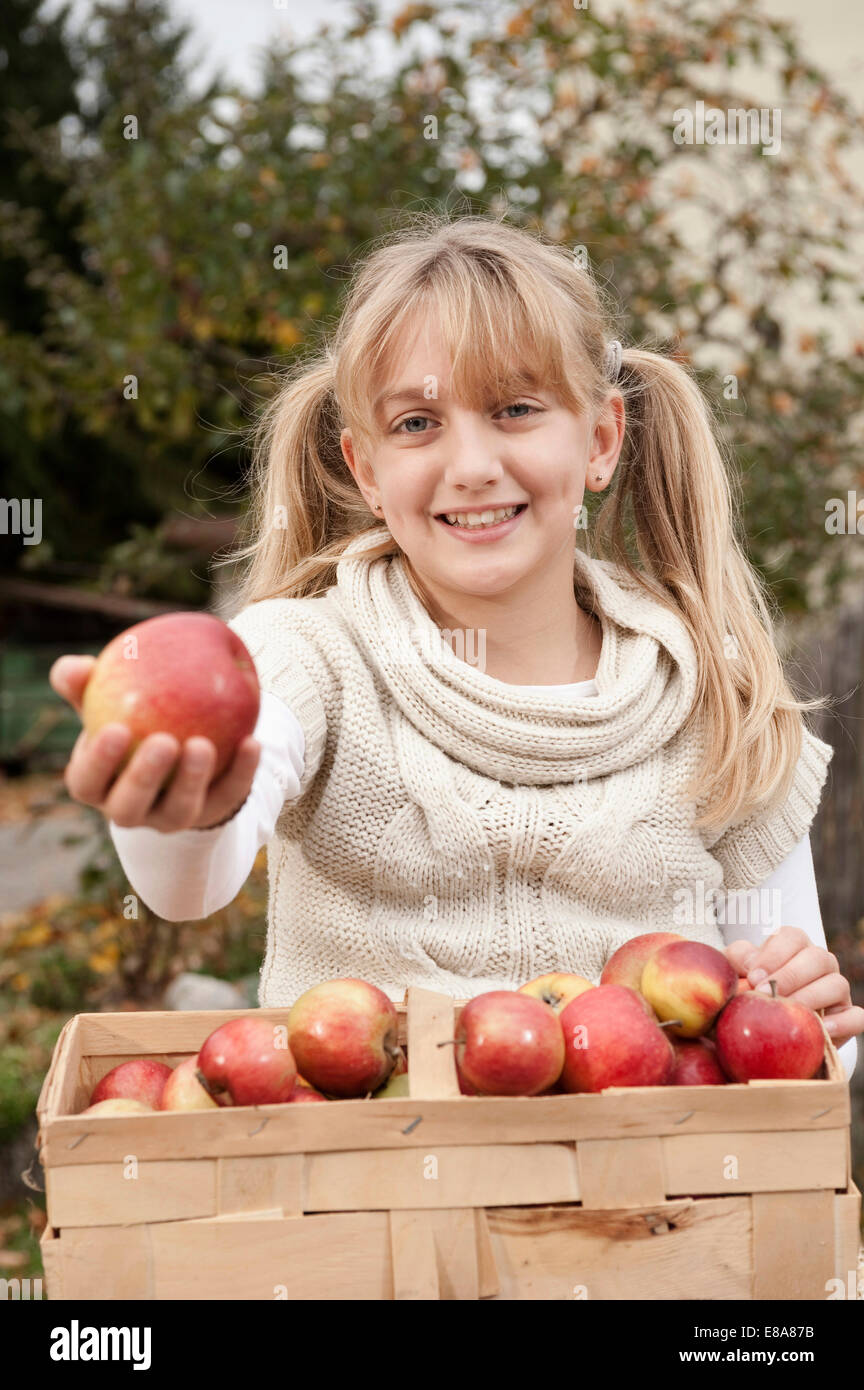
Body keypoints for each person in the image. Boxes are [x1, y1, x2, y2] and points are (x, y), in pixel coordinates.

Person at [50, 215, 862, 1079]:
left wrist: (813, 1026)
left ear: (600, 440)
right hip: (362, 1197)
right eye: (417, 423)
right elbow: (190, 886)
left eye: (515, 410)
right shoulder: (304, 655)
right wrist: (183, 811)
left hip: (643, 1210)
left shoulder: (709, 695)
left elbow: (795, 1041)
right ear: (364, 469)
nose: (471, 464)